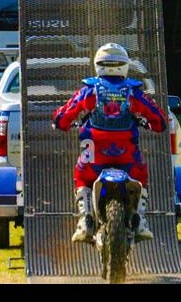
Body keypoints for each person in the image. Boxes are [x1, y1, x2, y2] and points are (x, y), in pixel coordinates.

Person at [52, 42, 167, 244]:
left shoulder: (89, 90)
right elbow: (160, 120)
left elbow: (63, 116)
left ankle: (85, 218)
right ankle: (140, 219)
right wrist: (149, 124)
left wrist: (61, 122)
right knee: (141, 174)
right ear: (125, 64)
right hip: (127, 152)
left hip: (95, 152)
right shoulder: (134, 91)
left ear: (98, 64)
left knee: (82, 175)